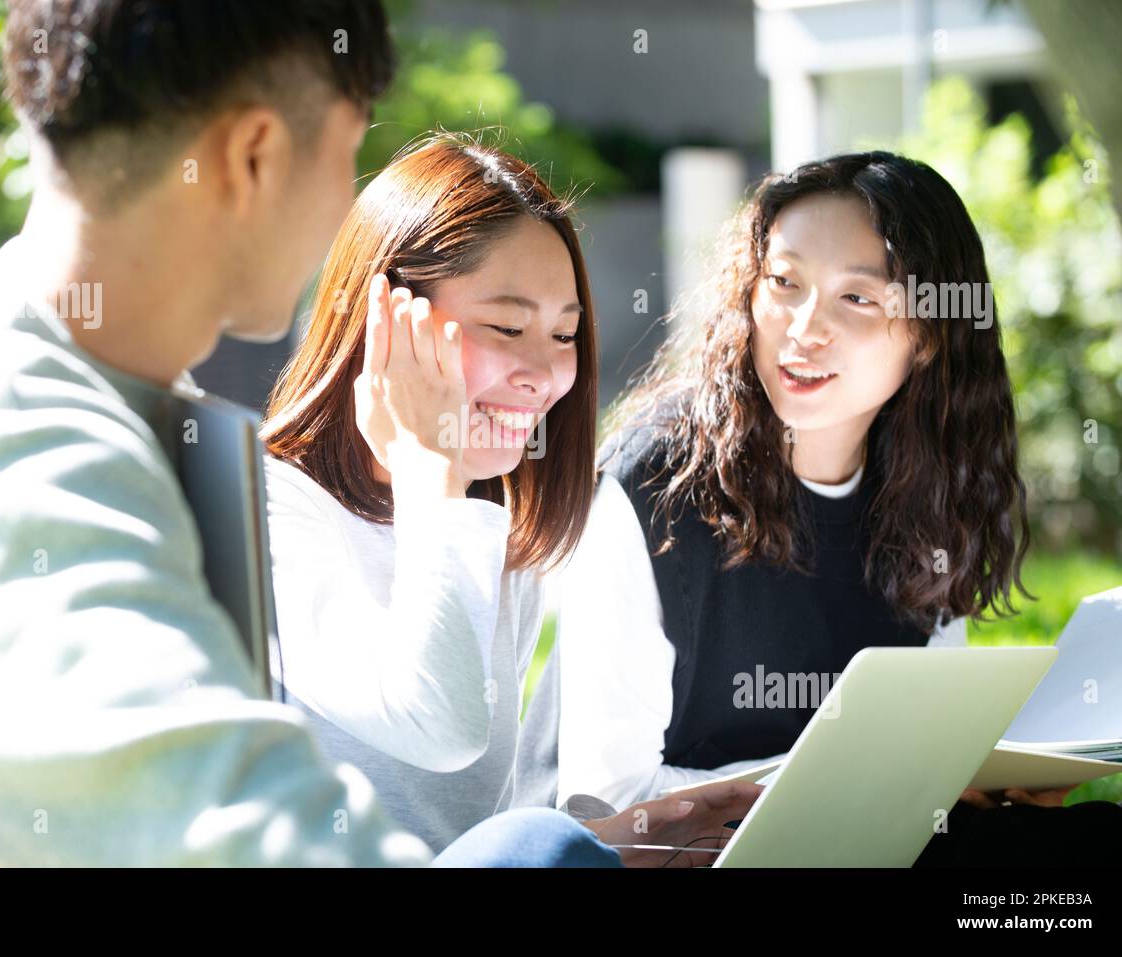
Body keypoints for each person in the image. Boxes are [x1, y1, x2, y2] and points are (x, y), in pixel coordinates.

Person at [0, 0, 632, 867]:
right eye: (345, 156)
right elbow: (225, 817)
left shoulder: (22, 368)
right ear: (254, 154)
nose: (348, 211)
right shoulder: (22, 427)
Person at [520, 151, 1122, 866]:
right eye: (783, 282)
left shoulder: (927, 486)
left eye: (858, 298)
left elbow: (926, 731)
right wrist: (879, 788)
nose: (803, 327)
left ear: (930, 333)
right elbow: (608, 809)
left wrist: (961, 778)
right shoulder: (648, 489)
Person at [260, 133, 760, 864]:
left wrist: (618, 844)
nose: (544, 373)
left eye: (564, 333)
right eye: (506, 326)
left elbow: (467, 835)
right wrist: (429, 463)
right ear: (384, 319)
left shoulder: (483, 524)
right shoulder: (271, 510)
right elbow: (437, 720)